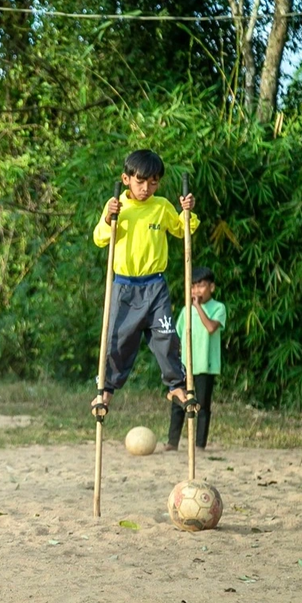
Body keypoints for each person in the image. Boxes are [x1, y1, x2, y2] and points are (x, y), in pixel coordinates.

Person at [92, 150, 198, 414]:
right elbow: (99, 238)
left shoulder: (161, 207)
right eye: (140, 182)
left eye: (153, 182)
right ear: (126, 179)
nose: (146, 188)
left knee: (167, 336)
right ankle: (105, 392)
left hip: (155, 286)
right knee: (118, 339)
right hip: (124, 286)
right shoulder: (117, 206)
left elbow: (182, 229)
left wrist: (187, 213)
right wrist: (108, 218)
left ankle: (176, 386)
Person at [165, 266, 226, 450]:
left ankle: (200, 444)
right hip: (185, 365)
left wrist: (197, 306)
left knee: (203, 406)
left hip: (205, 365)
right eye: (193, 287)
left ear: (211, 288)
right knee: (178, 403)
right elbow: (178, 335)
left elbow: (210, 327)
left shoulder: (218, 308)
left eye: (201, 286)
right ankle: (172, 442)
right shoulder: (185, 310)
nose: (196, 291)